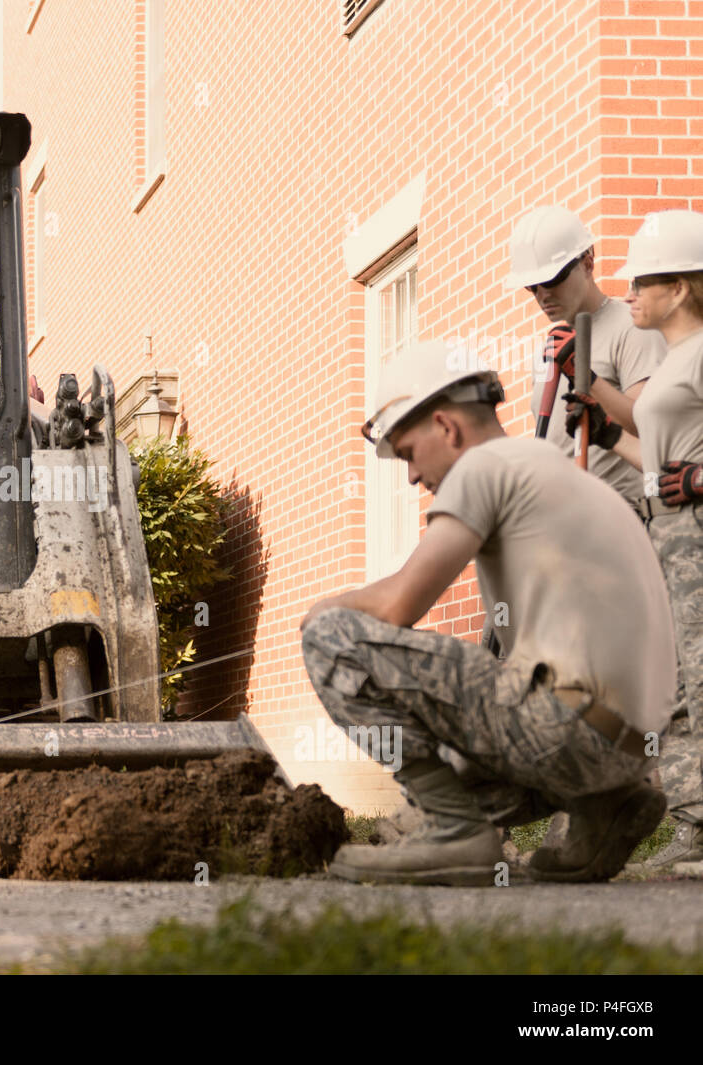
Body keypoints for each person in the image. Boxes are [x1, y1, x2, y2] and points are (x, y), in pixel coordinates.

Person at [300, 339, 673, 885]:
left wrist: (318, 611)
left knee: (333, 637)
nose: (409, 477)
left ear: (447, 427)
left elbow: (399, 603)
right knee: (450, 776)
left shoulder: (482, 469)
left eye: (407, 453)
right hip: (630, 748)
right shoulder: (552, 466)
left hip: (566, 731)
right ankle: (607, 807)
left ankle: (455, 836)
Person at [565, 210, 703, 867]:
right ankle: (694, 826)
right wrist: (596, 409)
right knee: (676, 689)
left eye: (644, 282)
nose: (629, 294)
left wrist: (700, 478)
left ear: (680, 287)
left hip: (696, 533)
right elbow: (652, 451)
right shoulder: (677, 359)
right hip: (666, 533)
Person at [506, 206, 665, 511]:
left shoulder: (632, 328)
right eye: (531, 286)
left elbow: (651, 428)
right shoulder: (553, 348)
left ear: (588, 263)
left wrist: (586, 377)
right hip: (566, 524)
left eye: (551, 279)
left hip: (621, 519)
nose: (542, 295)